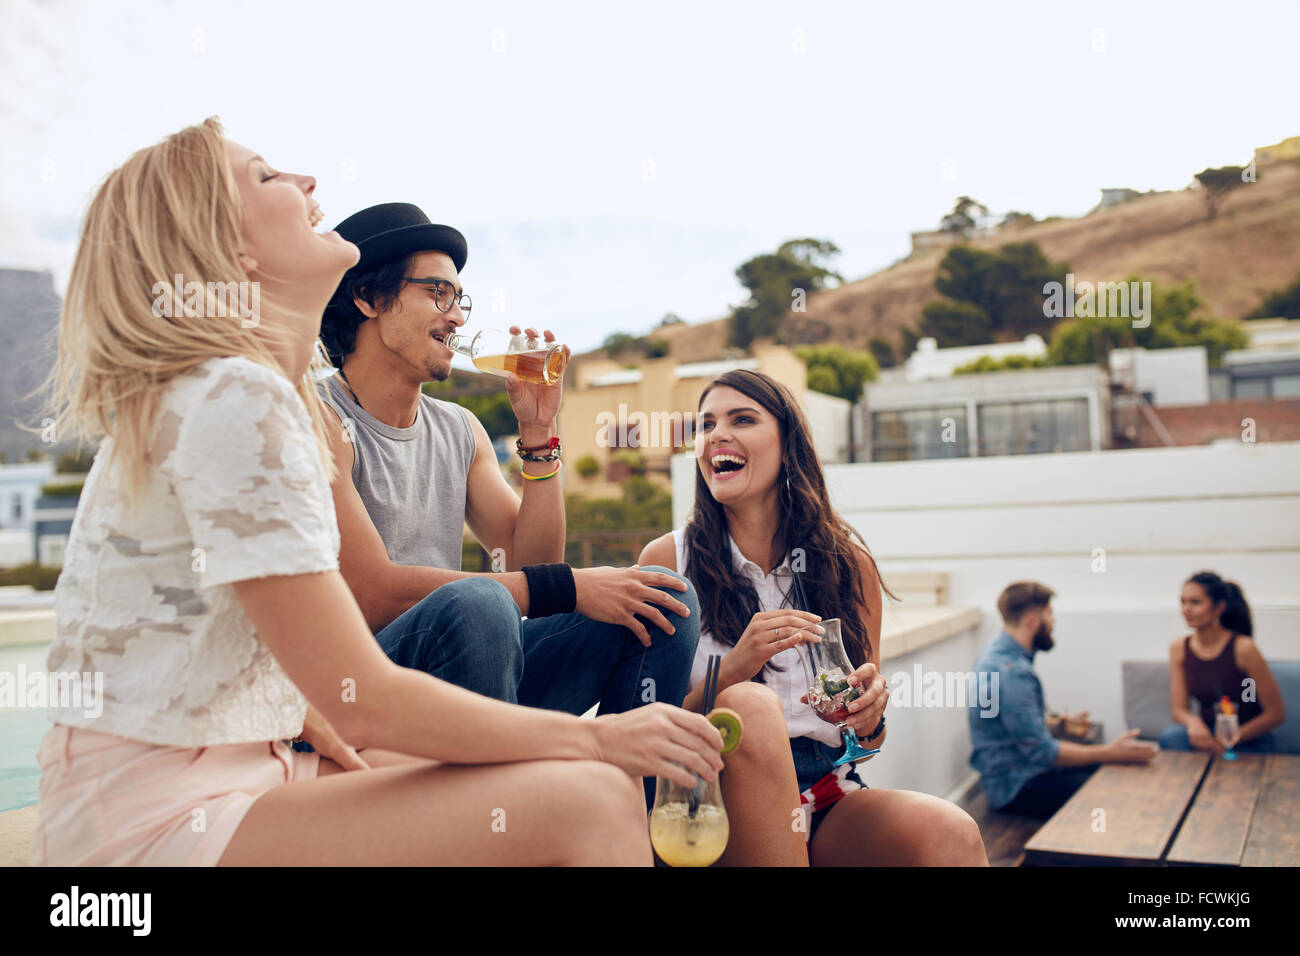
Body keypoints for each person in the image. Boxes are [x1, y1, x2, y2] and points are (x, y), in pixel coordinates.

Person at [31, 117, 724, 867]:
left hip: (262, 755)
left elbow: (264, 654)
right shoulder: (250, 402)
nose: (306, 182)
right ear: (231, 252)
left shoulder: (264, 397)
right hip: (157, 815)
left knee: (614, 685)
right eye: (268, 176)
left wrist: (540, 443)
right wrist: (595, 737)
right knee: (589, 790)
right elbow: (363, 667)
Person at [314, 203, 699, 734]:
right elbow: (371, 593)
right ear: (368, 298)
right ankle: (498, 799)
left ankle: (632, 799)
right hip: (366, 686)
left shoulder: (460, 428)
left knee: (661, 599)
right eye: (437, 293)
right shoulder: (318, 420)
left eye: (458, 299)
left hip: (474, 667)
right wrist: (565, 587)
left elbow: (534, 562)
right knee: (481, 603)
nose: (457, 317)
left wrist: (539, 437)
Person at [639, 369, 988, 865]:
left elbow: (866, 744)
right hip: (710, 794)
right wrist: (733, 669)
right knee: (749, 704)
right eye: (707, 424)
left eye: (742, 419)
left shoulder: (849, 566)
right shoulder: (668, 561)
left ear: (788, 443)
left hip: (825, 788)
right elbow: (643, 721)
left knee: (952, 832)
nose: (717, 434)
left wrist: (867, 717)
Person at [969, 582, 1156, 817]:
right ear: (1031, 620)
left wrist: (1059, 724)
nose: (1053, 622)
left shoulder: (993, 656)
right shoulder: (1013, 673)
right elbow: (1043, 753)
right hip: (1017, 787)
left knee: (1113, 773)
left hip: (1005, 777)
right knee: (1117, 792)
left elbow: (1007, 722)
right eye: (1050, 614)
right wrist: (1110, 752)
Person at [1159, 571, 1285, 754]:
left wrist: (1231, 738)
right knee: (1171, 736)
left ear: (1218, 607)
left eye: (1195, 602)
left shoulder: (1244, 648)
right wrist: (1194, 724)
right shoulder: (1178, 648)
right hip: (1208, 738)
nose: (1186, 609)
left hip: (1247, 739)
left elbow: (1275, 714)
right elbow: (1179, 710)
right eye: (1183, 602)